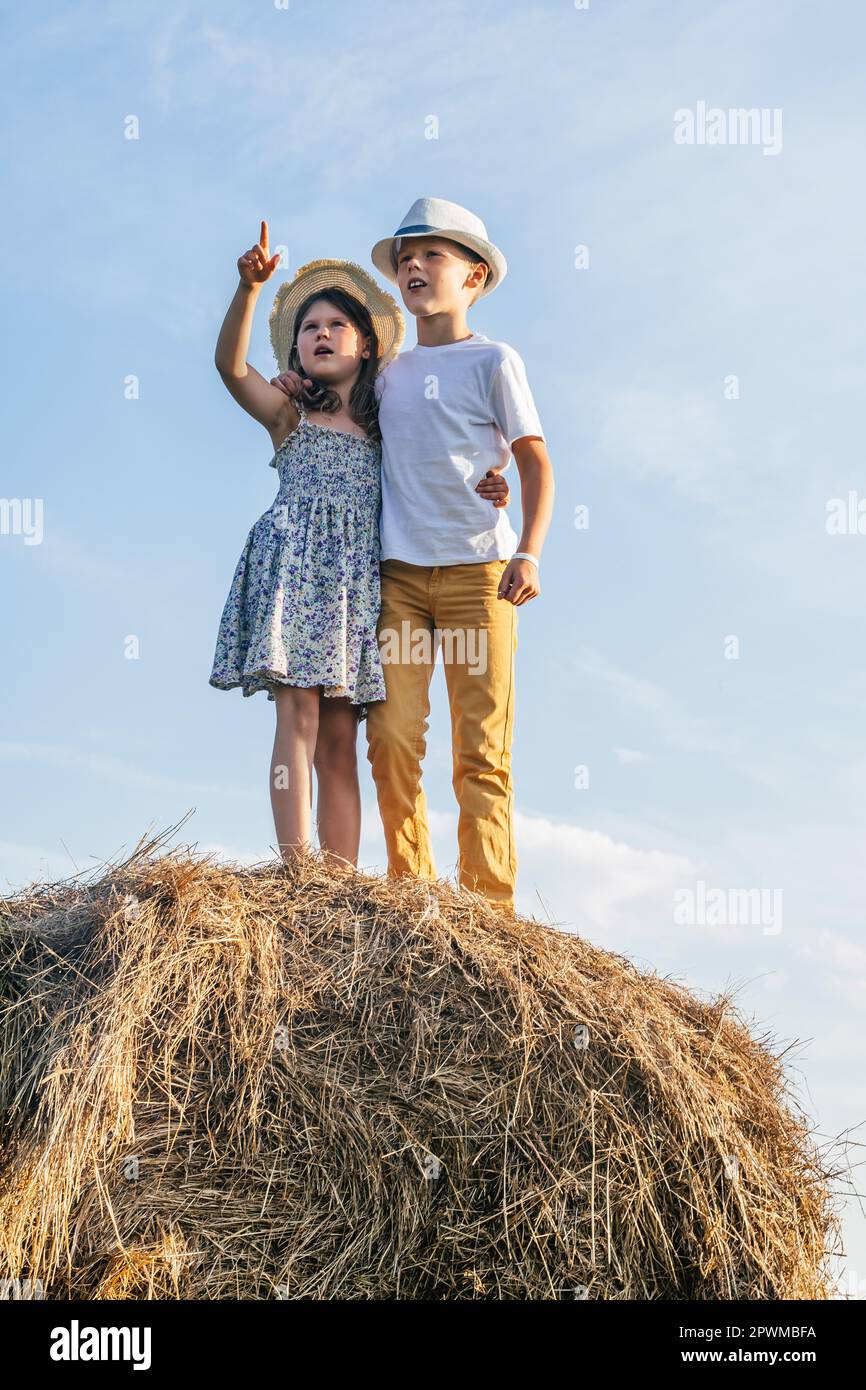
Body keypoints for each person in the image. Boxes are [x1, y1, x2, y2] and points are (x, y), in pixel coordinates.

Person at [272, 198, 555, 912]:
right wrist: (290, 384)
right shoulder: (387, 375)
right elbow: (334, 409)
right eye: (406, 259)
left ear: (476, 275)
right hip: (396, 579)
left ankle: (488, 910)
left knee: (481, 750)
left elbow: (534, 461)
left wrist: (529, 548)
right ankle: (413, 892)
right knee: (392, 741)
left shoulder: (495, 360)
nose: (415, 268)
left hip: (480, 577)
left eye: (433, 255)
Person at [209, 222, 509, 871]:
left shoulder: (386, 424)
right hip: (294, 569)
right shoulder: (290, 416)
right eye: (308, 328)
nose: (319, 334)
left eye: (334, 326)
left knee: (342, 737)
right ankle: (299, 869)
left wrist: (493, 476)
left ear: (368, 346)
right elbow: (231, 368)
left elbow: (440, 452)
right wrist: (247, 288)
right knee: (299, 717)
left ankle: (339, 882)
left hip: (355, 584)